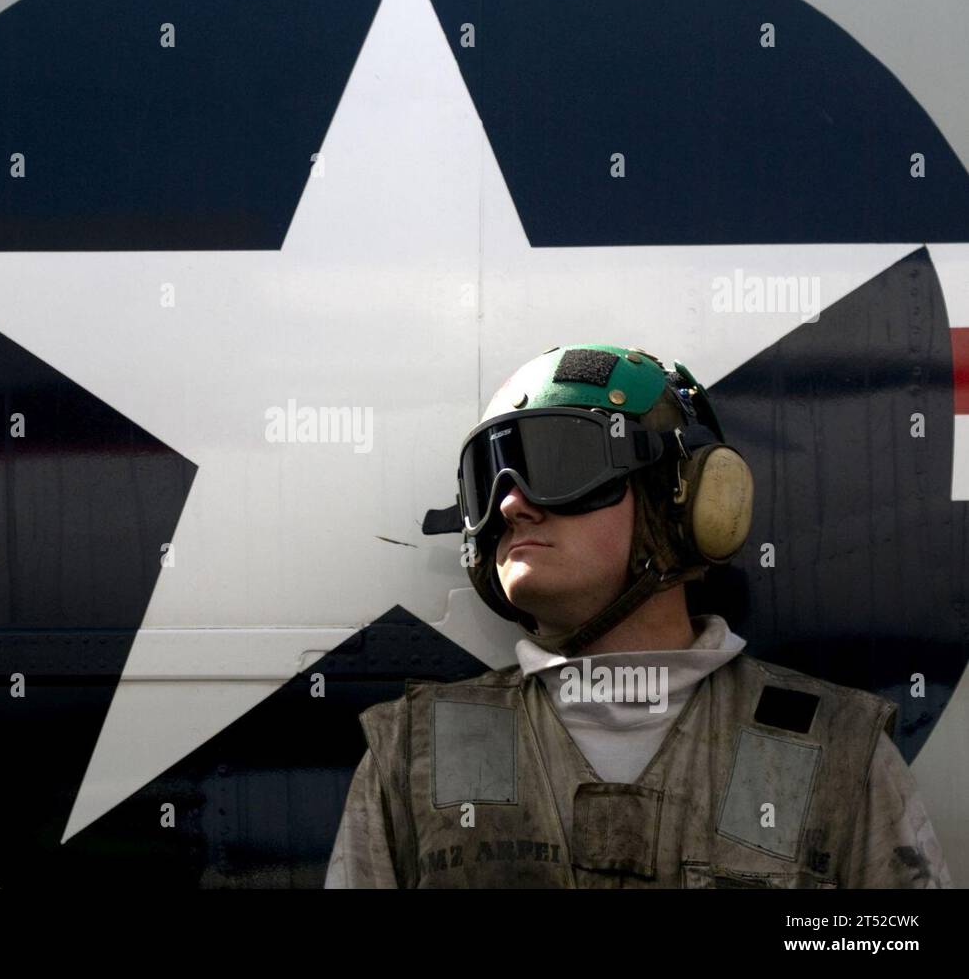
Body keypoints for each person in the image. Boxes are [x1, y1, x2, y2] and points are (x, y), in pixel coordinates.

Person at [325, 344, 953, 888]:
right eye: (489, 476)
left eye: (560, 463)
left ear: (682, 502)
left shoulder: (836, 752)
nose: (512, 502)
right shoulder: (413, 758)